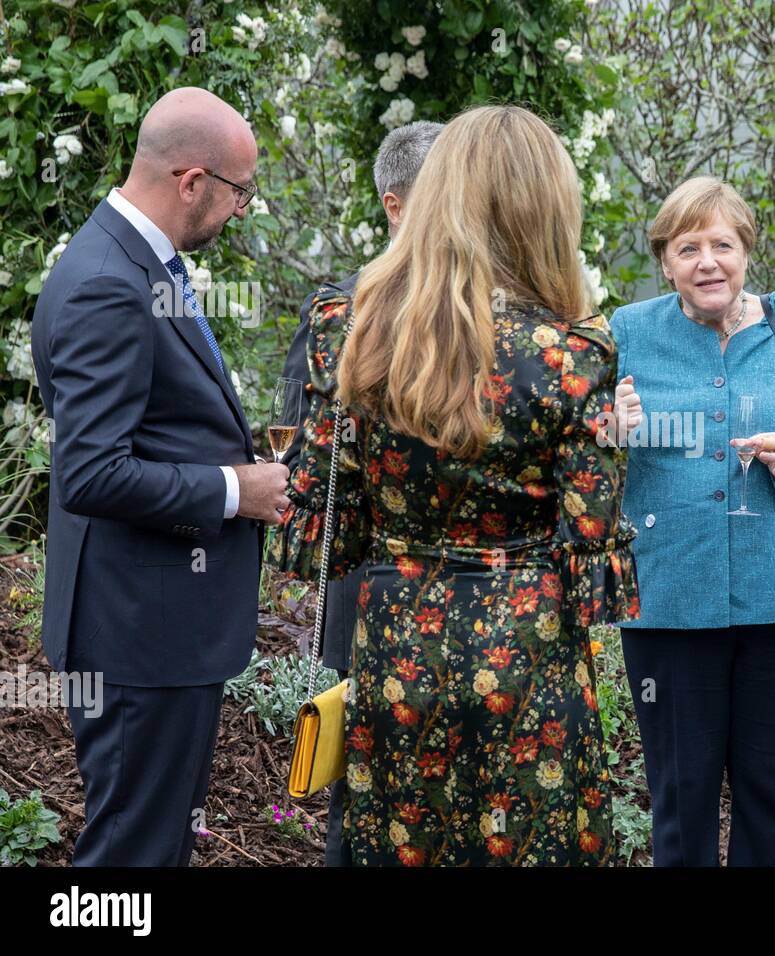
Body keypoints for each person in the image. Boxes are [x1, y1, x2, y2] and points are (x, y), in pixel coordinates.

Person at [273, 104, 638, 866]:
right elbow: (590, 551)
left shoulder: (352, 326)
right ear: (545, 206)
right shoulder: (573, 351)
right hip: (528, 653)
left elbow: (325, 531)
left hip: (397, 644)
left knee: (401, 842)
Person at [31, 87, 288, 866]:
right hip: (140, 634)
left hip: (147, 622)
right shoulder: (112, 280)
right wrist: (233, 490)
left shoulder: (133, 258)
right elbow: (93, 473)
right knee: (132, 854)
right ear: (191, 180)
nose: (242, 210)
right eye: (240, 190)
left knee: (154, 844)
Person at [610, 176, 775, 866]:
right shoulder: (627, 332)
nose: (707, 261)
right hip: (670, 602)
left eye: (722, 244)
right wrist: (609, 428)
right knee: (680, 806)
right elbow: (586, 452)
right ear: (665, 260)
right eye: (688, 247)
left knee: (770, 802)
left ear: (747, 250)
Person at [277, 119, 444, 867]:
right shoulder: (337, 315)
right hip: (369, 583)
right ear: (394, 205)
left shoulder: (513, 315)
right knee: (366, 791)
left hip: (481, 596)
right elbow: (300, 473)